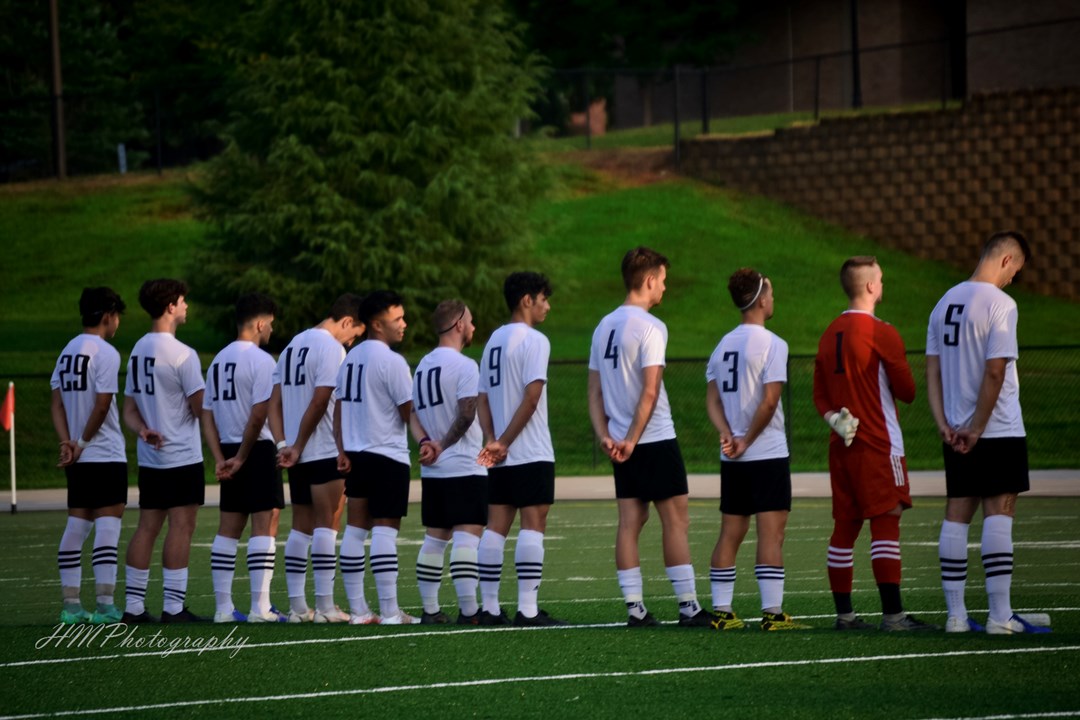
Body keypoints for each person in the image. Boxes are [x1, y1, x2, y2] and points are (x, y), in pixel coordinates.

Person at [927, 231, 1049, 635]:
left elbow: (933, 370)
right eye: (1016, 270)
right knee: (1000, 510)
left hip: (955, 428)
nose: (1013, 279)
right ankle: (1001, 615)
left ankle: (956, 616)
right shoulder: (1001, 303)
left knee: (957, 514)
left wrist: (944, 422)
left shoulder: (943, 303)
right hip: (995, 428)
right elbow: (995, 370)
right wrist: (978, 427)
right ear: (1005, 260)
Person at [587, 247, 710, 628]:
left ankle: (635, 609)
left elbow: (593, 393)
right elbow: (650, 391)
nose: (665, 288)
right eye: (663, 280)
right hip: (651, 436)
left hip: (620, 441)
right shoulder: (651, 327)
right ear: (650, 279)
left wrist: (606, 436)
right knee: (676, 520)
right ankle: (688, 606)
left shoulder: (603, 325)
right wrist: (633, 439)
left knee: (629, 522)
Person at [813, 257, 935, 632]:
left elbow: (820, 395)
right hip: (880, 444)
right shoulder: (883, 332)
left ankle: (845, 615)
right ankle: (894, 616)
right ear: (869, 287)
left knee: (844, 529)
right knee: (886, 521)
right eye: (880, 278)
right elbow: (908, 392)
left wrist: (835, 419)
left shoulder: (829, 331)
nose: (883, 284)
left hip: (842, 445)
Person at [705, 269, 805, 631]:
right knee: (771, 532)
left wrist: (727, 434)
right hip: (765, 453)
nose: (774, 300)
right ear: (762, 299)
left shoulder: (722, 344)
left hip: (732, 456)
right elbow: (769, 401)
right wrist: (745, 438)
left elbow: (712, 399)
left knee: (730, 532)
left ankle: (721, 611)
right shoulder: (773, 344)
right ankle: (773, 613)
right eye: (772, 294)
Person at [476, 272, 565, 627]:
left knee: (495, 526)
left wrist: (492, 440)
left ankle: (490, 608)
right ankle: (528, 610)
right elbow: (532, 397)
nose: (547, 305)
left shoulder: (493, 340)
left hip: (502, 453)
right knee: (533, 523)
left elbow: (482, 397)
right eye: (543, 298)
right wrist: (505, 442)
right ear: (526, 300)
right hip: (529, 451)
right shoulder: (535, 340)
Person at [270, 293, 365, 623]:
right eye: (354, 334)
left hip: (298, 452)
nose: (353, 342)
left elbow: (274, 403)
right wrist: (297, 444)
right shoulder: (330, 348)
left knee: (300, 529)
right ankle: (325, 606)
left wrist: (285, 442)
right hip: (321, 447)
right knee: (328, 526)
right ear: (346, 322)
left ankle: (299, 608)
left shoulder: (292, 345)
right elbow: (322, 401)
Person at [335, 290, 424, 625]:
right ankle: (389, 612)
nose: (404, 324)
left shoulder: (351, 357)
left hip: (357, 454)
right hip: (387, 454)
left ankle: (359, 611)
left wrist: (341, 449)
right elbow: (408, 411)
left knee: (355, 530)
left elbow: (339, 409)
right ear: (376, 323)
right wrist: (426, 440)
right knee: (385, 530)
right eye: (397, 318)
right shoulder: (392, 361)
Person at [121, 279, 206, 623]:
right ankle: (173, 607)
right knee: (182, 526)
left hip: (151, 456)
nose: (186, 307)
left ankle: (134, 608)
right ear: (170, 306)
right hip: (181, 453)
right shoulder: (182, 354)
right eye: (183, 301)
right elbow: (202, 408)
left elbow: (128, 408)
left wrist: (143, 430)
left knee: (146, 527)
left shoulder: (138, 348)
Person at [202, 294, 287, 624]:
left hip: (227, 447)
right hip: (256, 449)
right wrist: (240, 457)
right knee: (263, 526)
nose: (271, 332)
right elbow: (258, 416)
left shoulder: (219, 359)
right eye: (271, 326)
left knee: (228, 528)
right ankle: (260, 607)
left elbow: (206, 413)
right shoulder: (264, 361)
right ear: (260, 323)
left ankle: (223, 608)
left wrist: (220, 456)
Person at [50, 287, 128, 625]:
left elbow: (55, 404)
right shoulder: (106, 352)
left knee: (77, 525)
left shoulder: (67, 351)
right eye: (117, 317)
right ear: (108, 315)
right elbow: (102, 403)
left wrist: (66, 442)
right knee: (108, 525)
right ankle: (106, 605)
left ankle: (70, 605)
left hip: (79, 458)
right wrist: (80, 442)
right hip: (104, 452)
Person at [411, 300, 488, 624]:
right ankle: (469, 611)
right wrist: (441, 444)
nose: (472, 327)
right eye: (469, 321)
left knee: (435, 537)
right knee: (467, 537)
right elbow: (467, 413)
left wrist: (426, 443)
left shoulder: (423, 365)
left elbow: (411, 413)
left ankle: (430, 610)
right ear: (458, 324)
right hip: (463, 463)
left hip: (435, 468)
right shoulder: (465, 365)